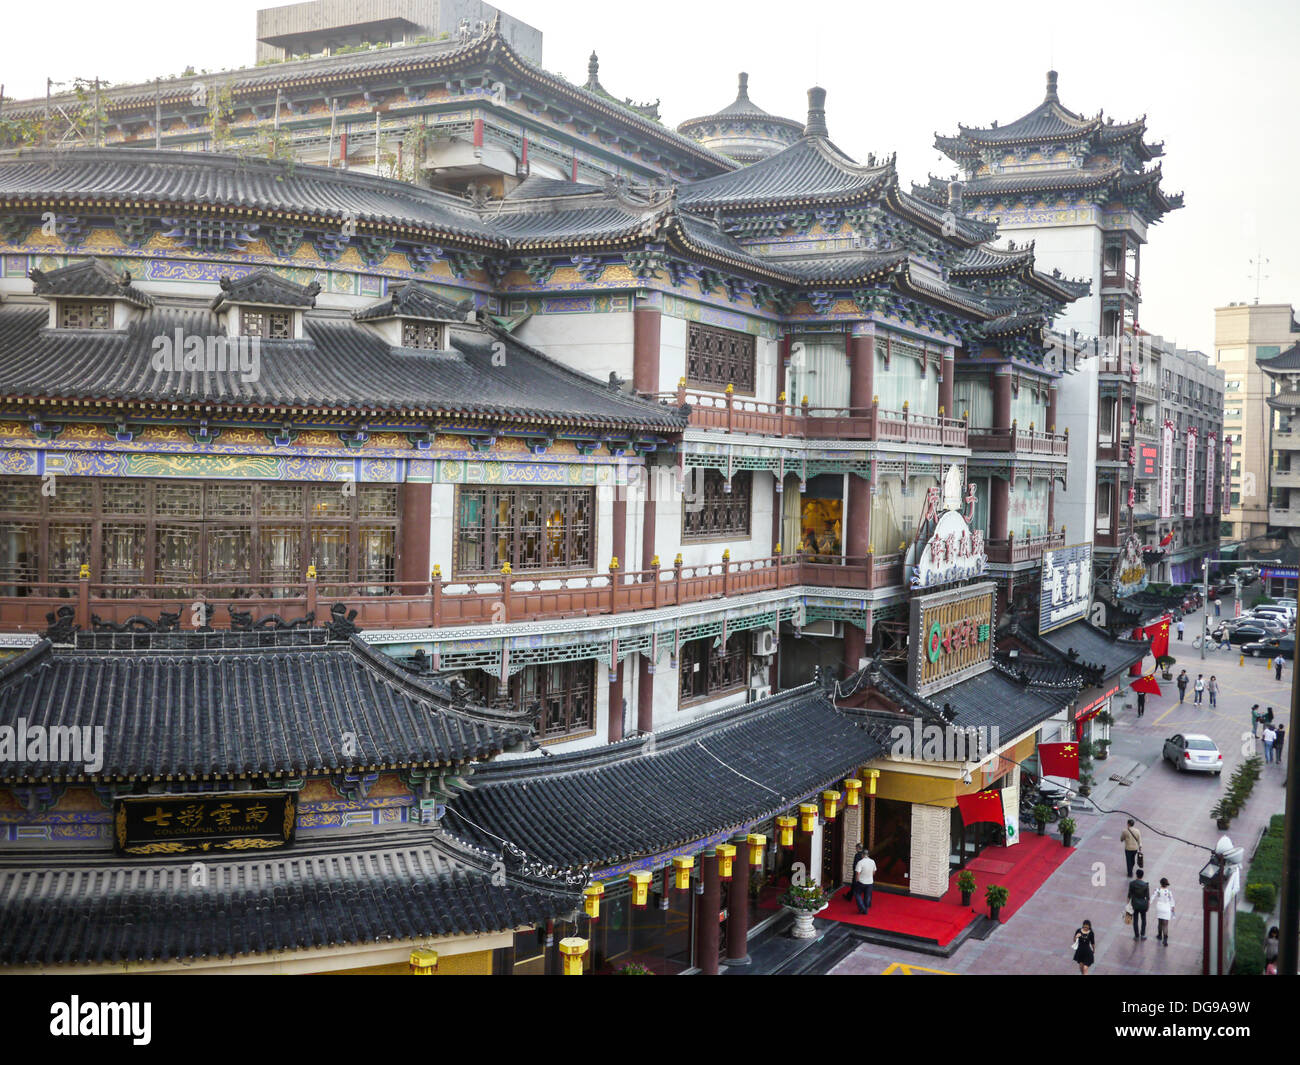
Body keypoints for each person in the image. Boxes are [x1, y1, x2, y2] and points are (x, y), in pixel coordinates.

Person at [1128, 869, 1151, 940]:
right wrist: (1148, 906)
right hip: (1143, 905)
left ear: (1136, 874)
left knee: (1135, 920)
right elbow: (1148, 897)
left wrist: (1128, 905)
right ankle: (1143, 934)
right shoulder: (1145, 885)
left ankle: (1136, 935)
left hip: (1135, 904)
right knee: (1143, 920)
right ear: (1142, 875)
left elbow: (1129, 895)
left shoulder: (1132, 883)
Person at [853, 848, 877, 915]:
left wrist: (857, 880)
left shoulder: (860, 862)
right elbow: (874, 872)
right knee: (867, 896)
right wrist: (869, 876)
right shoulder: (872, 861)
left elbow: (857, 873)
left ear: (862, 855)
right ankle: (865, 909)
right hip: (870, 882)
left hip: (861, 882)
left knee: (857, 894)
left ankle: (863, 908)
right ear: (868, 855)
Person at [1153, 878, 1175, 945]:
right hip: (1167, 909)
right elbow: (1172, 900)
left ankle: (1159, 935)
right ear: (1166, 884)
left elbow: (1152, 897)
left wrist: (1149, 903)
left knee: (1160, 922)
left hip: (1160, 908)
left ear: (1161, 883)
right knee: (1165, 925)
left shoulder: (1158, 890)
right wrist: (1173, 907)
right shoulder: (1169, 892)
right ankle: (1165, 939)